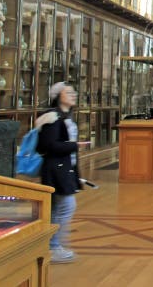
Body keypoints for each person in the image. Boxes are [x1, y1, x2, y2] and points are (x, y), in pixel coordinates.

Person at [36, 82, 87, 264]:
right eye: (68, 92)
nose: (73, 95)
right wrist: (75, 145)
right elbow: (48, 145)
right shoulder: (52, 117)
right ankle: (53, 246)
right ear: (58, 96)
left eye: (74, 92)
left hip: (64, 168)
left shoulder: (65, 116)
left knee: (58, 208)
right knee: (64, 207)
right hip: (56, 169)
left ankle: (51, 245)